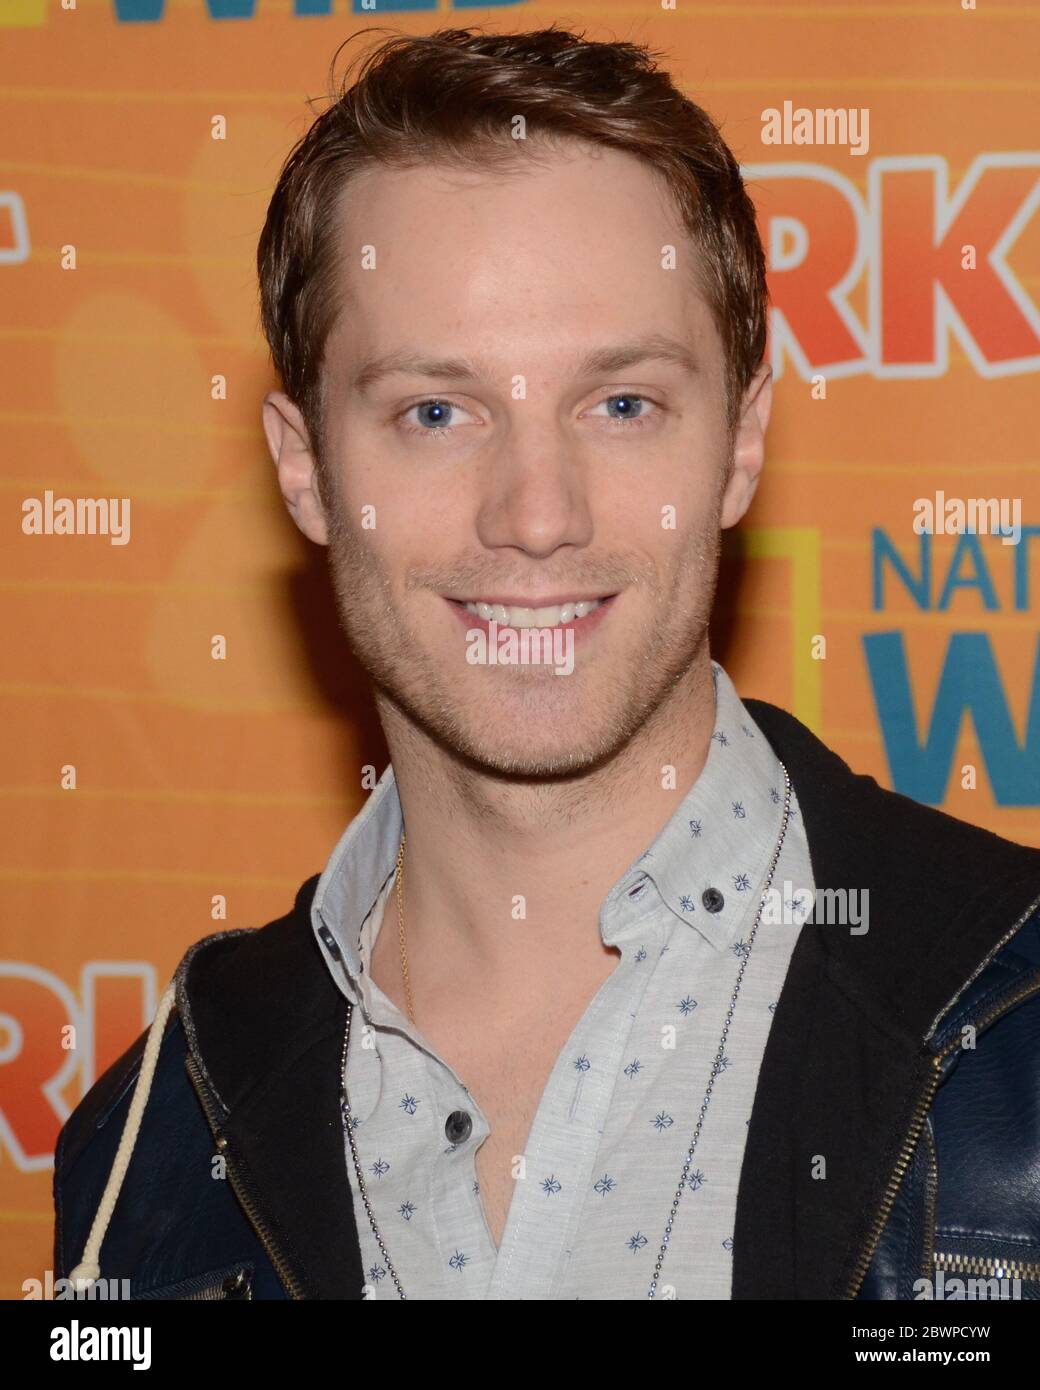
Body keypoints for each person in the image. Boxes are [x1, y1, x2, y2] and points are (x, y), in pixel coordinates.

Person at [53, 24, 1040, 1302]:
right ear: (305, 468)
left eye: (619, 404)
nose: (533, 513)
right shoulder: (150, 1147)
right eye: (434, 411)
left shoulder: (1012, 1021)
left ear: (738, 442)